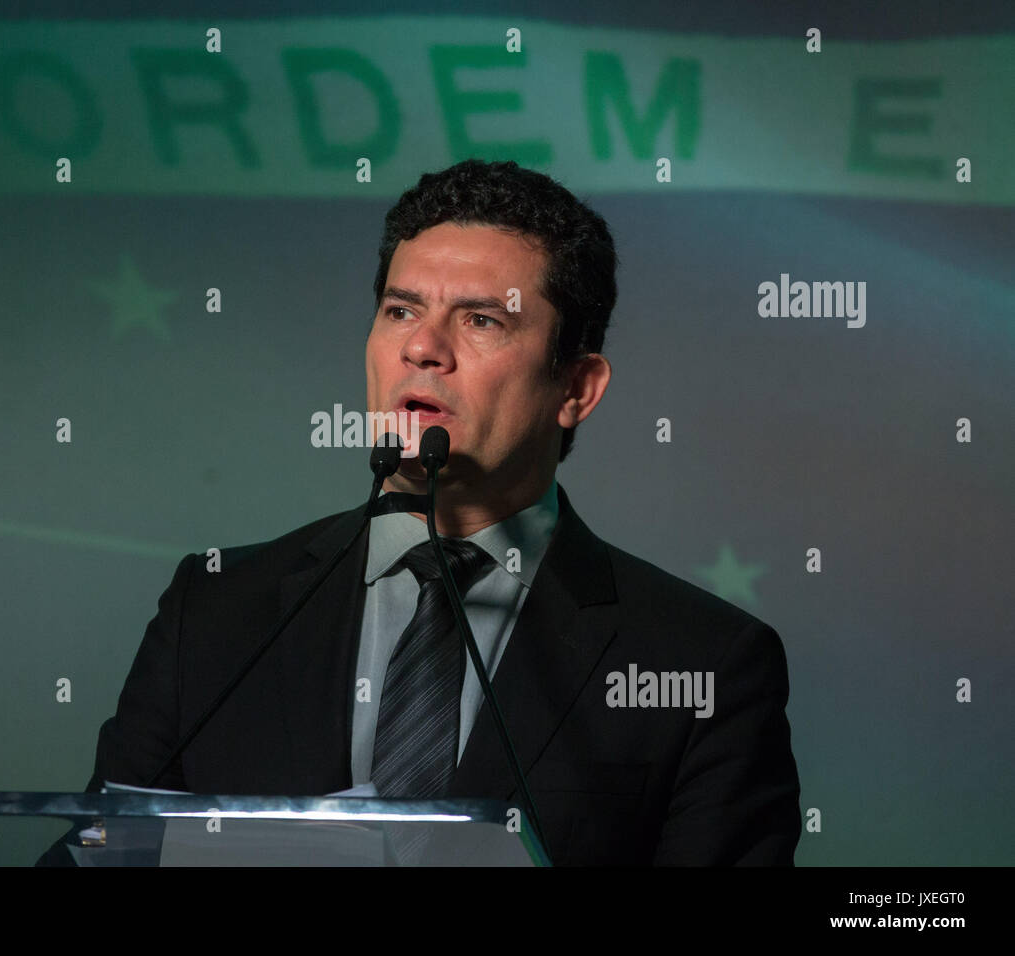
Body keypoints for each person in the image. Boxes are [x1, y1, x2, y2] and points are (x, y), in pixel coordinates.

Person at [83, 159, 801, 865]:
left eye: (482, 320)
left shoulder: (701, 664)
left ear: (576, 388)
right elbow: (98, 853)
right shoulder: (212, 613)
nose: (422, 348)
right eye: (400, 310)